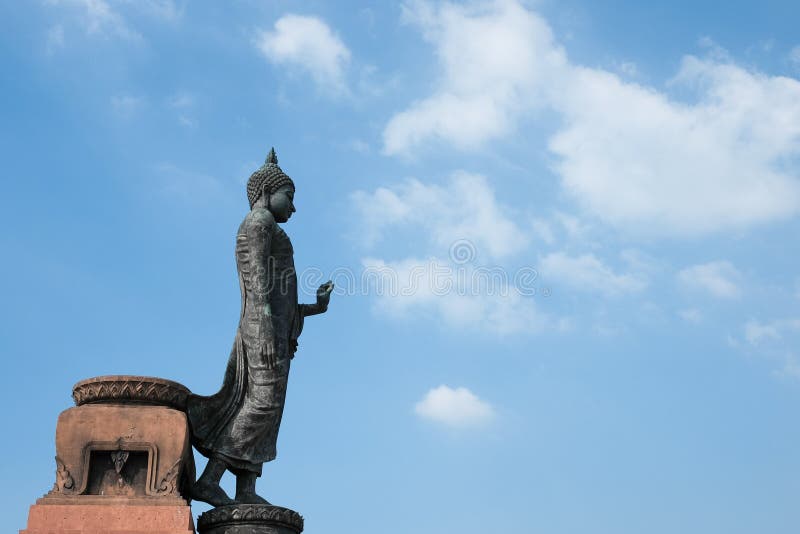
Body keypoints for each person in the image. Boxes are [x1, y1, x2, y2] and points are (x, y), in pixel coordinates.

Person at [187, 148, 333, 506]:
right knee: (262, 404)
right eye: (290, 197)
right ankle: (210, 479)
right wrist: (266, 325)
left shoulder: (270, 228)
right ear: (266, 193)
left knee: (269, 407)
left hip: (272, 326)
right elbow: (256, 280)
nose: (293, 208)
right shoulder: (258, 224)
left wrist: (315, 307)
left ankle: (246, 490)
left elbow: (279, 296)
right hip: (261, 327)